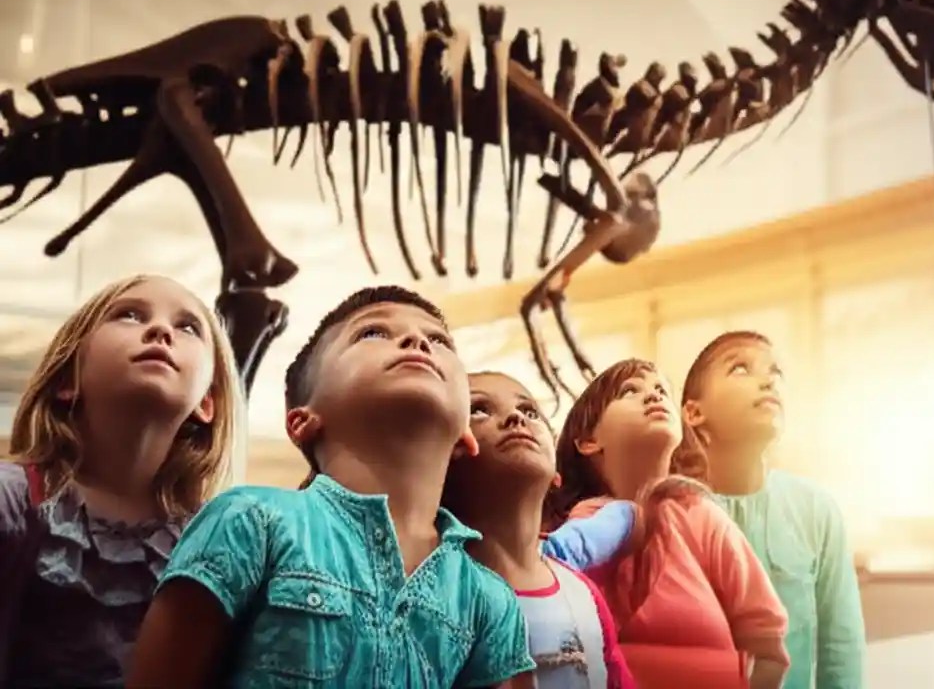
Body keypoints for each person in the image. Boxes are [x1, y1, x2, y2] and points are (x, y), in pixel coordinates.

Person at [126, 286, 535, 688]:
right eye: (372, 333)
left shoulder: (490, 601)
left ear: (465, 433)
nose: (417, 341)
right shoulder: (249, 520)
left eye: (439, 340)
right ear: (302, 420)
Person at [0, 274, 245, 687]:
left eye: (188, 327)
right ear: (67, 380)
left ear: (208, 402)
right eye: (128, 315)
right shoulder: (12, 499)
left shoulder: (224, 542)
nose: (160, 330)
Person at [549, 359, 790, 689]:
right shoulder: (579, 530)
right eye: (630, 390)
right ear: (588, 440)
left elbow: (767, 645)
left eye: (661, 389)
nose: (653, 396)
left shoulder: (699, 514)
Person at [678, 331, 866, 689]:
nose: (767, 381)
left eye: (775, 372)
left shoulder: (816, 510)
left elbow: (841, 647)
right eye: (740, 368)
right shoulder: (671, 515)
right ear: (693, 412)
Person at [443, 371, 635, 689]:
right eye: (478, 409)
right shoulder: (440, 591)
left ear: (556, 474)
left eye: (530, 412)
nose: (516, 417)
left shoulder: (583, 592)